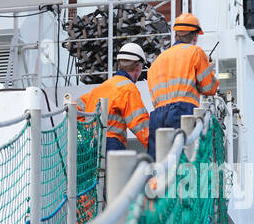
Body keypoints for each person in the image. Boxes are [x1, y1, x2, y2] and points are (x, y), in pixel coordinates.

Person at [146, 13, 218, 159]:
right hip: (183, 111)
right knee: (182, 160)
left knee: (157, 164)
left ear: (176, 35)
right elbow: (208, 88)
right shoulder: (195, 52)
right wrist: (210, 70)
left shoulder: (158, 60)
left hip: (157, 115)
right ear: (195, 36)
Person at [78, 43, 150, 152]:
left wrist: (87, 133)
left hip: (90, 148)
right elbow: (141, 125)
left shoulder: (102, 87)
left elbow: (76, 108)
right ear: (137, 67)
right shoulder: (128, 89)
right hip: (111, 146)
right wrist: (158, 149)